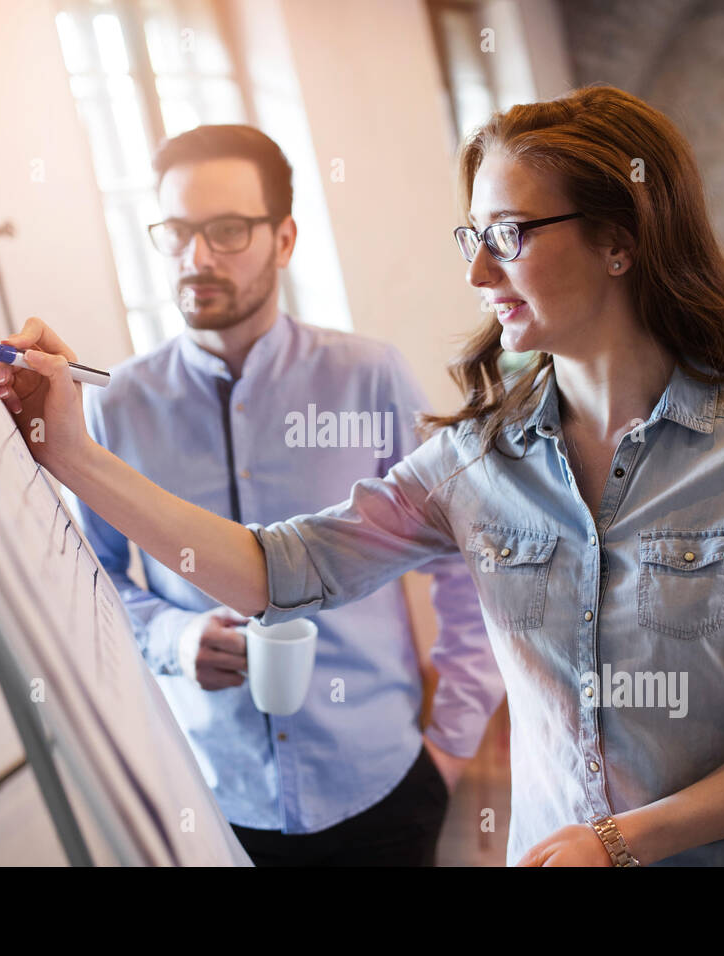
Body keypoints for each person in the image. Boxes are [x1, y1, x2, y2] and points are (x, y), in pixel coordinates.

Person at [0, 85, 724, 866]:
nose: (477, 270)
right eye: (473, 236)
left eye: (508, 234)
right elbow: (272, 571)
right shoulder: (475, 461)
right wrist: (70, 452)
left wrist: (623, 843)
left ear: (620, 241)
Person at [60, 124, 504, 867]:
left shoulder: (368, 376)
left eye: (227, 230)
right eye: (176, 231)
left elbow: (465, 561)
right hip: (214, 795)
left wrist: (450, 746)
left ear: (286, 239)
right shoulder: (112, 406)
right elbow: (93, 580)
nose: (195, 258)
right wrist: (173, 639)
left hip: (381, 784)